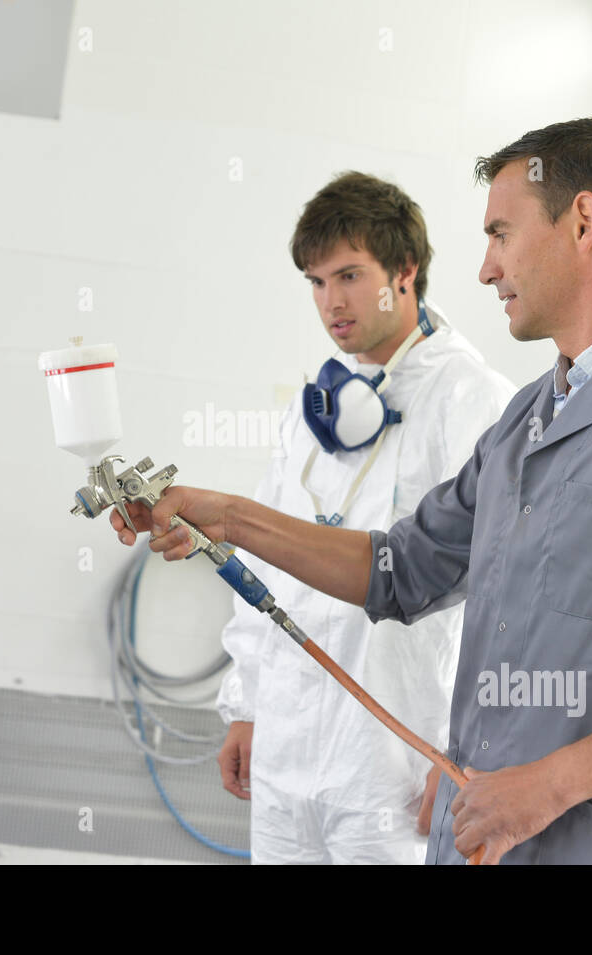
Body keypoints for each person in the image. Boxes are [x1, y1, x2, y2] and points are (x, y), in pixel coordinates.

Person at [114, 119, 592, 864]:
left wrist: (546, 786)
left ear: (582, 221)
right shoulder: (525, 423)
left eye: (500, 233)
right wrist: (227, 517)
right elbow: (400, 569)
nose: (484, 268)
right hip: (477, 837)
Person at [211, 172, 516, 864]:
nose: (331, 302)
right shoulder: (312, 408)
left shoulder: (472, 400)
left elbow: (501, 590)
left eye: (349, 275)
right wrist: (246, 702)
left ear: (405, 272)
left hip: (395, 769)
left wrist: (466, 751)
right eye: (316, 282)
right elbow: (265, 563)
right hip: (287, 757)